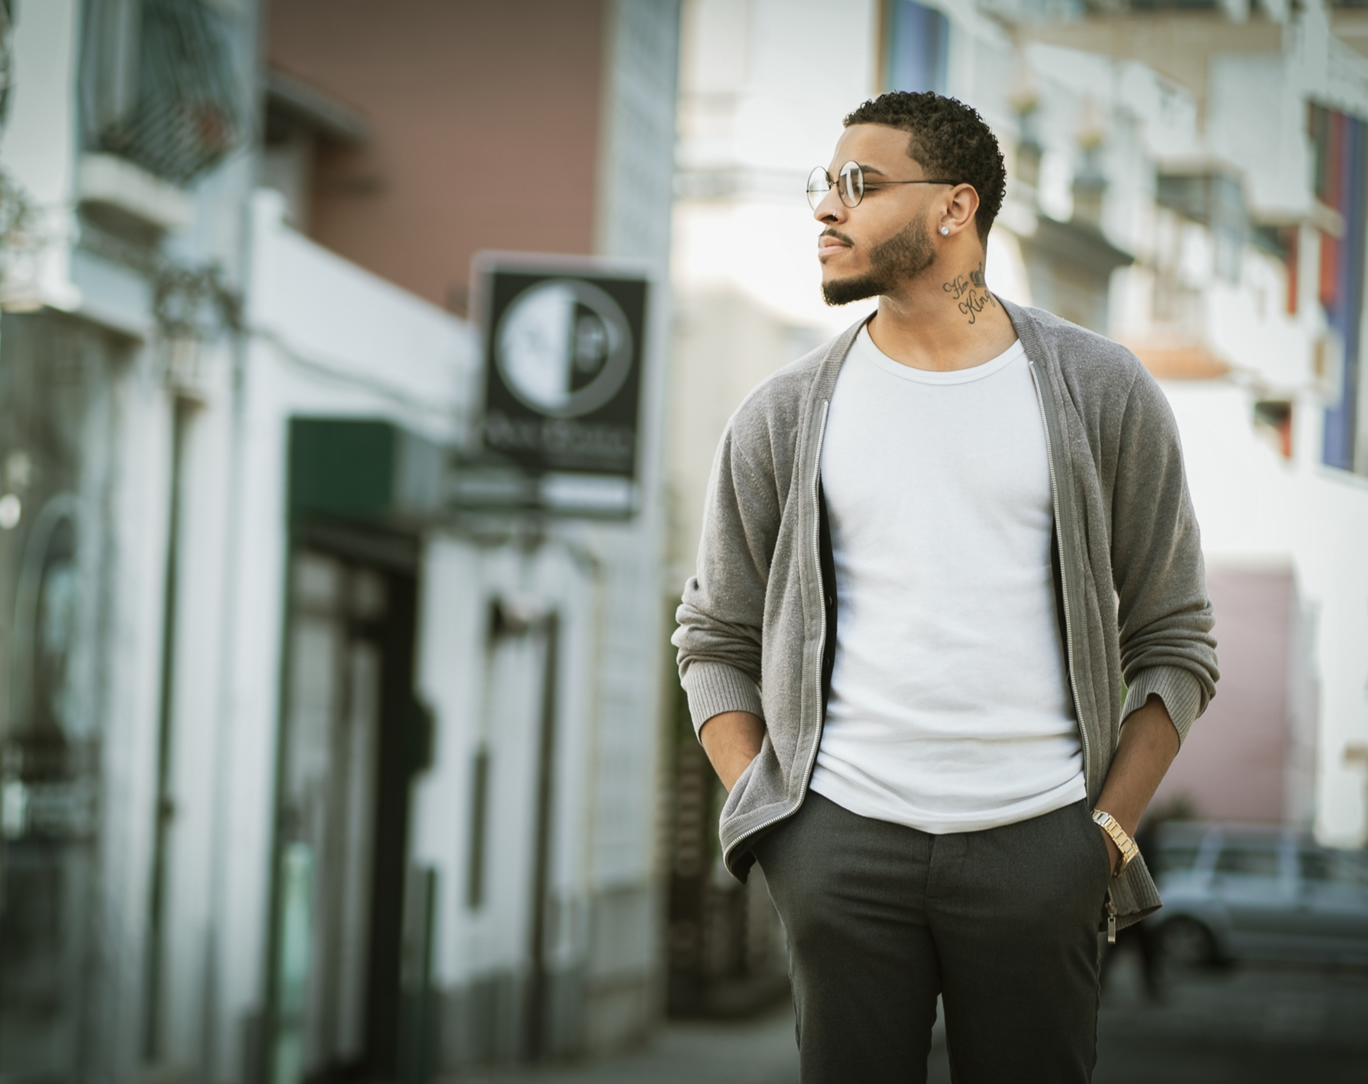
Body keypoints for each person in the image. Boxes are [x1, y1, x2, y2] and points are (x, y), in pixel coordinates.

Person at [672, 91, 1219, 1084]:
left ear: (954, 210)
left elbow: (1176, 636)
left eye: (859, 184)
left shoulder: (1100, 392)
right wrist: (775, 818)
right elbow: (714, 635)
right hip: (840, 846)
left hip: (1042, 843)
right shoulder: (786, 415)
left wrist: (1099, 833)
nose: (825, 210)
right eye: (821, 185)